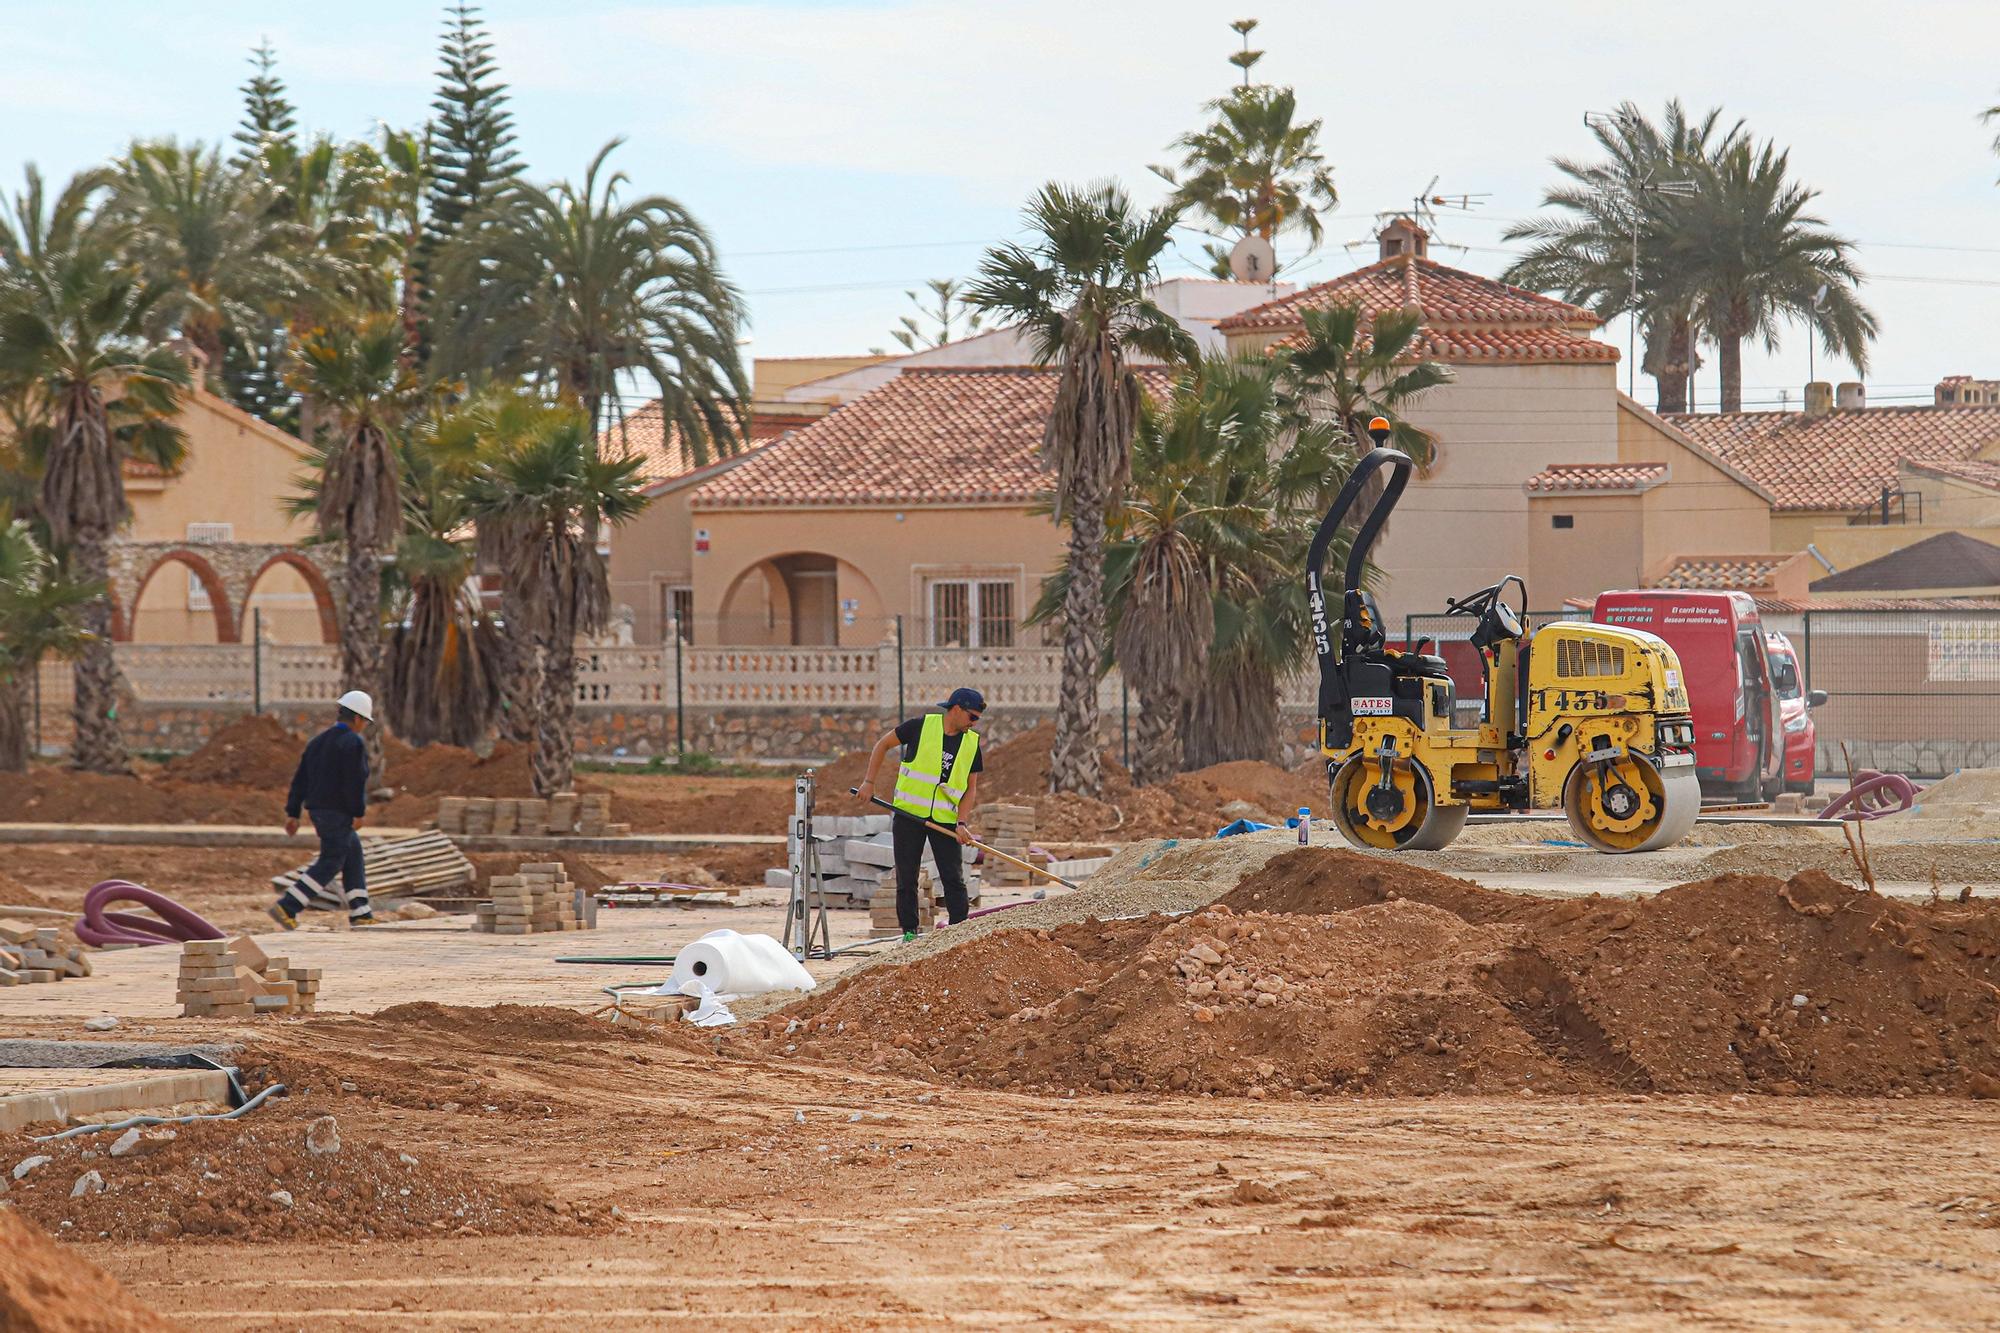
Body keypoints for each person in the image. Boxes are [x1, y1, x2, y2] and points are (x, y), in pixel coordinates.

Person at [857, 687, 985, 941]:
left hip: (945, 820)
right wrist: (869, 782)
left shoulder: (971, 744)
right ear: (957, 709)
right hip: (909, 815)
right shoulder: (920, 726)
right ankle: (909, 934)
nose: (974, 723)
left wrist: (961, 822)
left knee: (953, 879)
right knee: (907, 877)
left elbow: (970, 788)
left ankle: (959, 934)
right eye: (972, 717)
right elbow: (883, 745)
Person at [272, 690, 378, 930]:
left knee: (353, 854)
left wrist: (293, 813)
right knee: (331, 860)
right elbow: (355, 781)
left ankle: (361, 912)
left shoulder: (317, 742)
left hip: (319, 811)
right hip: (338, 813)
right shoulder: (353, 742)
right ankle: (288, 905)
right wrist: (358, 812)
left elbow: (300, 779)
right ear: (359, 719)